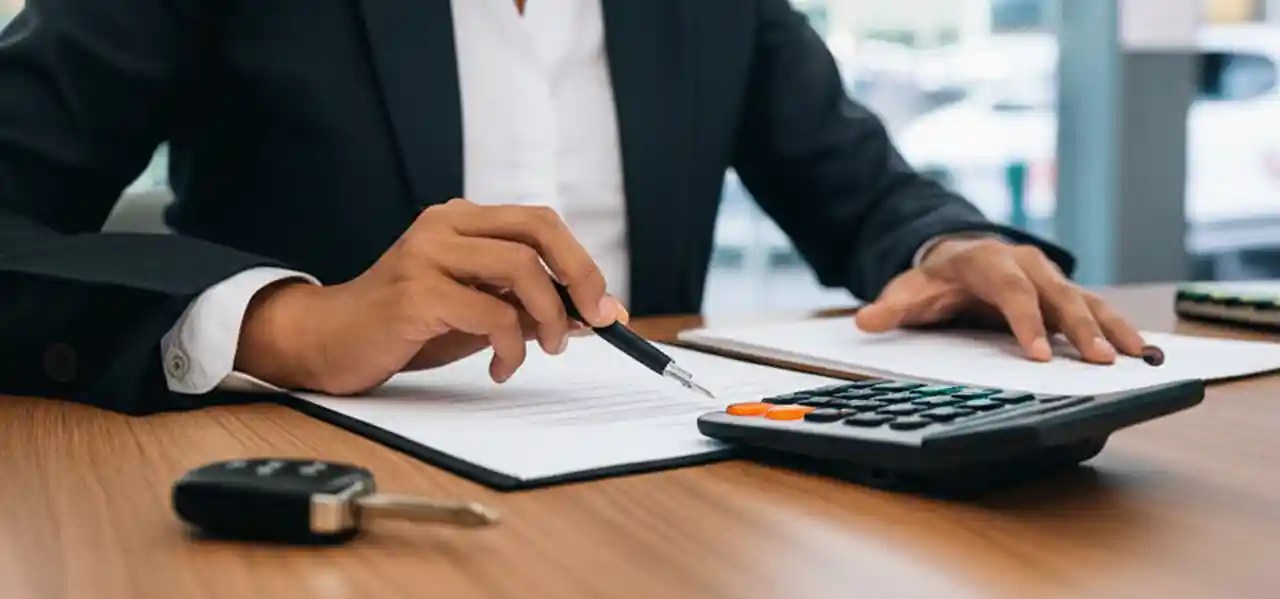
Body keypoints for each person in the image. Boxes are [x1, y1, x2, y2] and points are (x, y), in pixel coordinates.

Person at [0, 0, 1146, 415]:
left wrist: (948, 246)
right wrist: (287, 325)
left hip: (664, 510)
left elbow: (854, 182)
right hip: (318, 518)